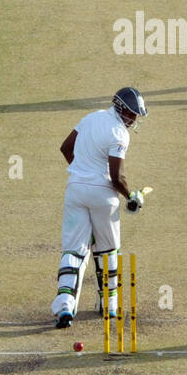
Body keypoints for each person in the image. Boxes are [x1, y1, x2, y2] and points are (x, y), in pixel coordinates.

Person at [51, 87, 151, 329]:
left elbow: (66, 148)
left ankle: (65, 304)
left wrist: (83, 171)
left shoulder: (91, 118)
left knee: (73, 250)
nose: (134, 119)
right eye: (131, 114)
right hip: (103, 197)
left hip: (75, 190)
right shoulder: (119, 133)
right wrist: (132, 196)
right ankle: (109, 304)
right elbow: (116, 178)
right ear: (120, 108)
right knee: (108, 250)